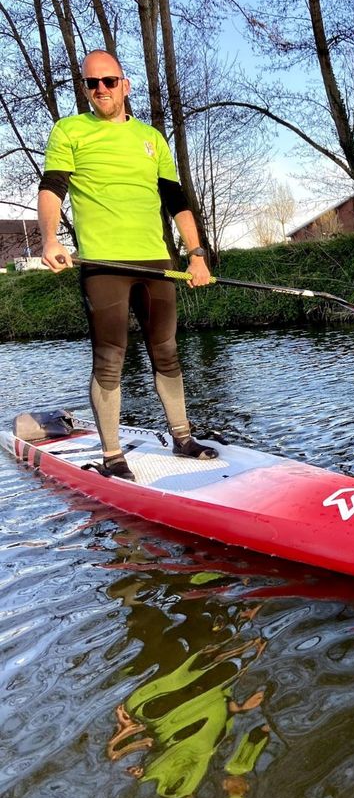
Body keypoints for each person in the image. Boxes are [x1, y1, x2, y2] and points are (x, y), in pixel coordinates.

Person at [38, 49, 218, 481]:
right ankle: (114, 456)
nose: (101, 89)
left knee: (168, 352)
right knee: (109, 359)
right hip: (104, 263)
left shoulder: (152, 139)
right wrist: (49, 238)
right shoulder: (69, 131)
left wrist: (195, 254)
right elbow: (52, 189)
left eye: (109, 81)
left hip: (157, 260)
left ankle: (182, 438)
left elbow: (176, 201)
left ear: (125, 85)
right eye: (91, 83)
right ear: (85, 88)